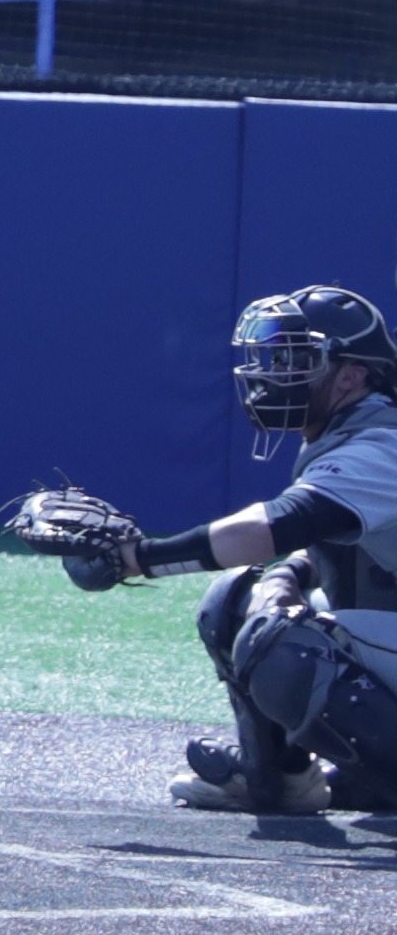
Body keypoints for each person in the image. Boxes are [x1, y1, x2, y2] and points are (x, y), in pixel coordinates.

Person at [85, 285, 397, 812]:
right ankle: (281, 780)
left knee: (282, 640)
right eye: (275, 357)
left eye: (296, 359)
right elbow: (356, 545)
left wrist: (136, 557)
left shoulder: (381, 442)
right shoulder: (352, 432)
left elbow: (276, 525)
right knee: (236, 599)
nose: (274, 372)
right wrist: (294, 572)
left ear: (351, 375)